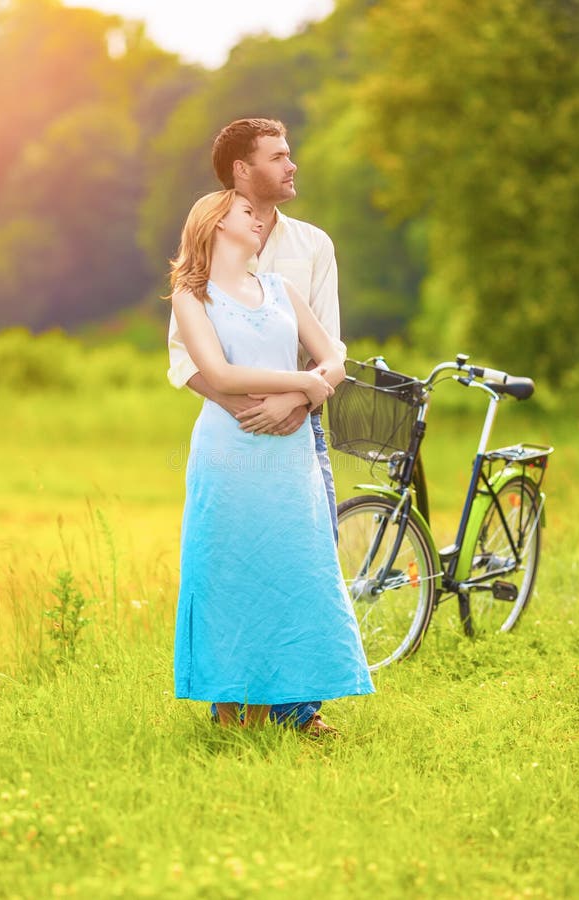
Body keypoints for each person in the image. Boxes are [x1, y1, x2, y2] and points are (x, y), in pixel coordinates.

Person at [169, 189, 374, 728]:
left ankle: (281, 711)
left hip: (291, 454)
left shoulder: (282, 289)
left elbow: (333, 357)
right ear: (215, 224)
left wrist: (298, 396)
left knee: (290, 572)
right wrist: (306, 383)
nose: (258, 219)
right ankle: (231, 712)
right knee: (230, 573)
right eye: (245, 212)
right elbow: (221, 375)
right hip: (229, 451)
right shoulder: (193, 297)